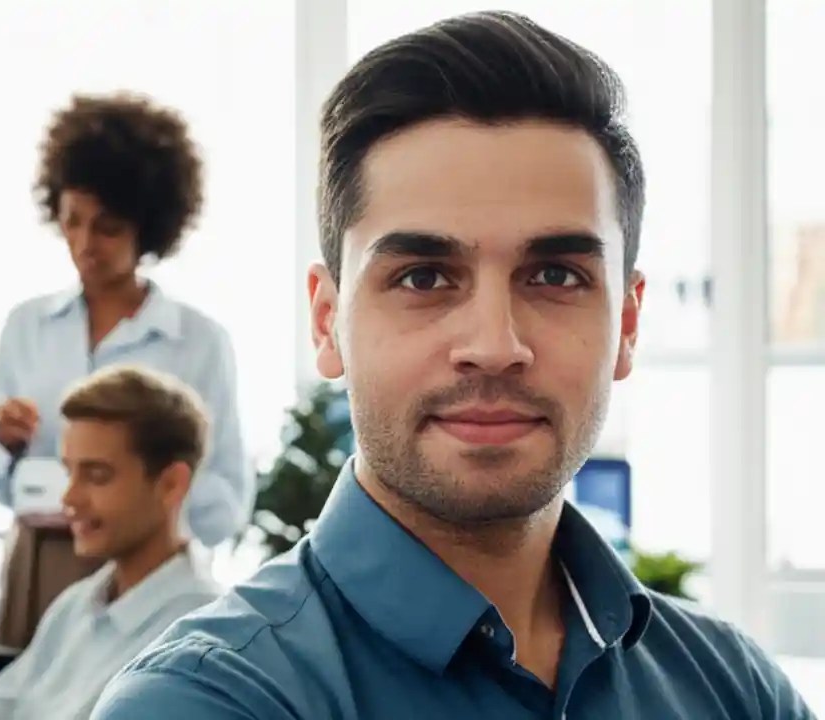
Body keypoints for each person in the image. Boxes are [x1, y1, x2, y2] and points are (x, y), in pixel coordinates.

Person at [93, 11, 815, 719]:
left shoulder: (734, 688)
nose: (496, 344)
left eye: (556, 276)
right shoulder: (203, 700)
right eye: (424, 278)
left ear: (626, 323)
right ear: (327, 321)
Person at [0, 92, 249, 649]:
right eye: (71, 221)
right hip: (43, 561)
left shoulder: (197, 342)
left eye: (106, 228)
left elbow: (226, 495)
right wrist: (9, 449)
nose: (83, 244)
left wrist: (148, 504)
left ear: (146, 229)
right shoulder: (26, 326)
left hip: (152, 579)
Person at [0, 365, 219, 719]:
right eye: (69, 472)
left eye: (97, 476)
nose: (69, 498)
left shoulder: (198, 634)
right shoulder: (75, 606)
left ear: (171, 484)